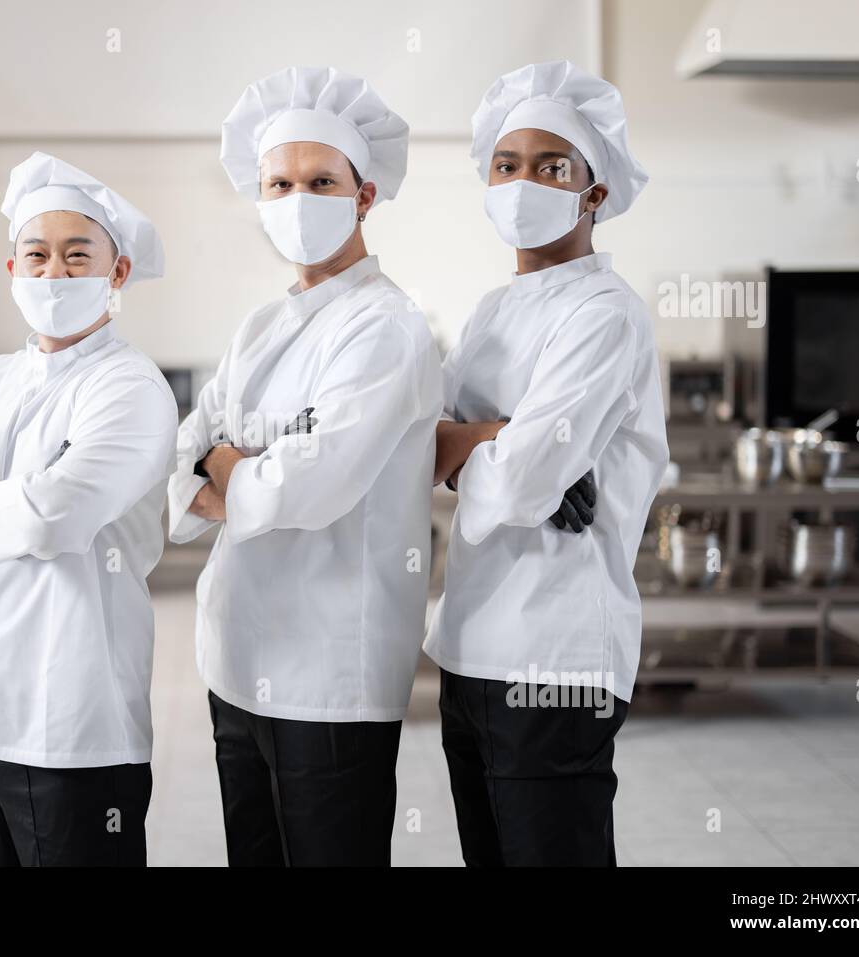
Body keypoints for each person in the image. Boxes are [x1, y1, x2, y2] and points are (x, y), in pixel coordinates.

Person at [167, 66, 443, 866]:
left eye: (321, 181)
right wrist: (234, 467)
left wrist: (224, 464)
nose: (297, 199)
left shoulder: (385, 327)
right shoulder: (258, 327)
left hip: (331, 673)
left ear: (364, 195)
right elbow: (180, 456)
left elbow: (309, 484)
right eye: (279, 184)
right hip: (236, 657)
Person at [0, 152, 177, 866]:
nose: (54, 273)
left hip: (78, 714)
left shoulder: (130, 387)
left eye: (77, 256)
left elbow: (54, 518)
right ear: (13, 269)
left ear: (116, 273)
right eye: (37, 255)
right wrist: (15, 514)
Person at [426, 61, 669, 866]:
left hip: (557, 655)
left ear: (593, 192)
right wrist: (497, 435)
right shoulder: (490, 312)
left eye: (550, 166)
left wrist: (479, 445)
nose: (523, 182)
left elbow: (524, 481)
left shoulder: (606, 314)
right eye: (507, 165)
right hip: (468, 646)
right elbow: (419, 447)